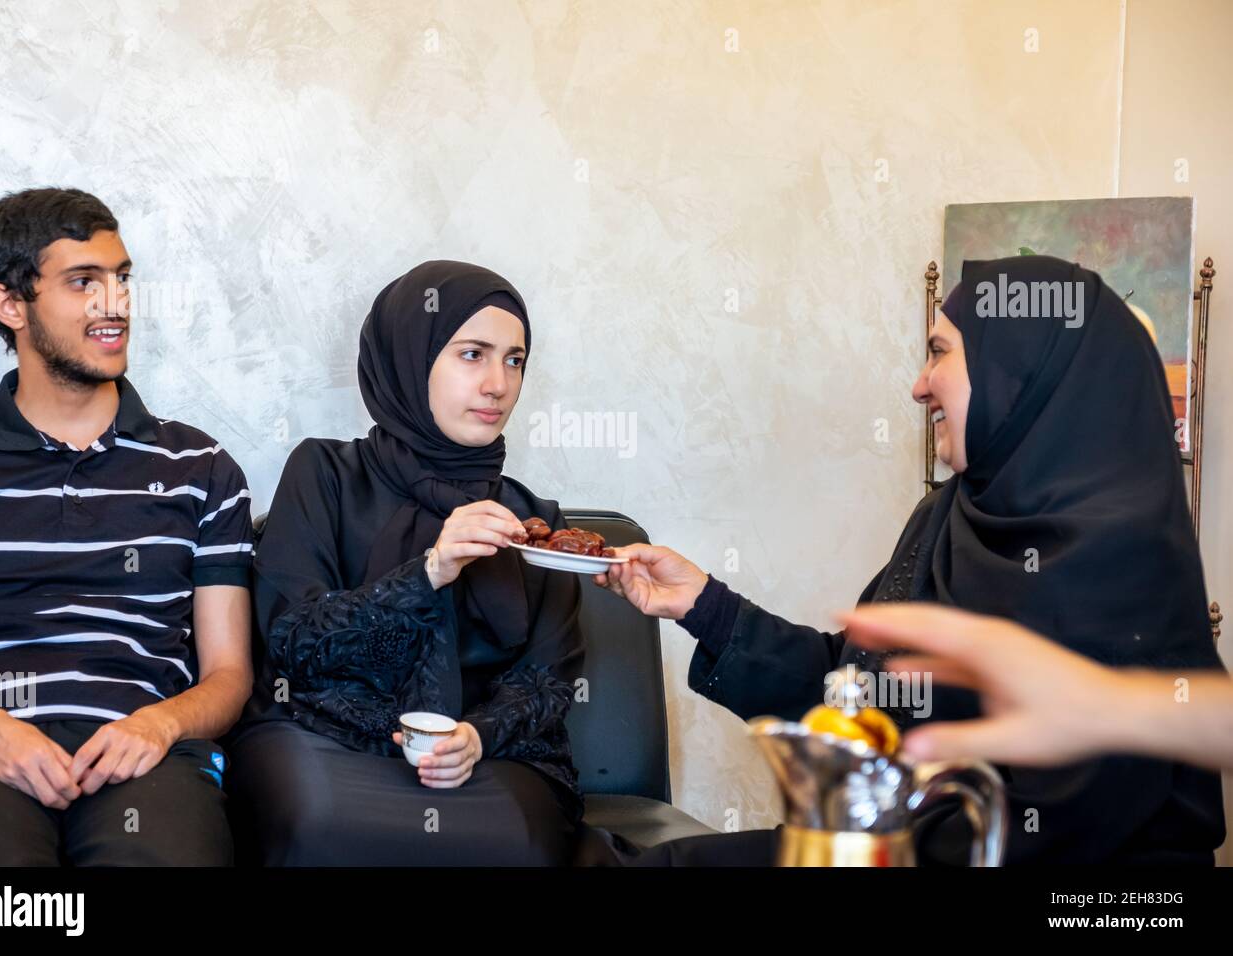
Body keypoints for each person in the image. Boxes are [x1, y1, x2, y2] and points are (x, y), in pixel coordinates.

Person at [597, 255, 1226, 865]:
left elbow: (1049, 834)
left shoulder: (1125, 566)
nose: (919, 384)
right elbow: (854, 693)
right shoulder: (951, 514)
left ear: (1020, 370)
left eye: (940, 350)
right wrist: (703, 605)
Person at [0, 188, 254, 865]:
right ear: (9, 305)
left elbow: (229, 676)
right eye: (84, 282)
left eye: (122, 278)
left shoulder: (201, 467)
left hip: (145, 750)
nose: (116, 305)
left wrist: (161, 723)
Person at [226, 260, 585, 866]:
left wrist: (477, 736)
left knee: (517, 847)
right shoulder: (325, 475)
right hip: (322, 739)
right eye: (472, 354)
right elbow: (292, 642)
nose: (498, 383)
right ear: (408, 358)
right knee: (315, 829)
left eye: (514, 359)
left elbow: (549, 681)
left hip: (487, 758)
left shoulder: (531, 522)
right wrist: (429, 573)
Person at [839, 602, 1233, 773]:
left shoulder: (1118, 549)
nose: (936, 422)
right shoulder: (941, 517)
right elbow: (862, 668)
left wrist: (1108, 705)